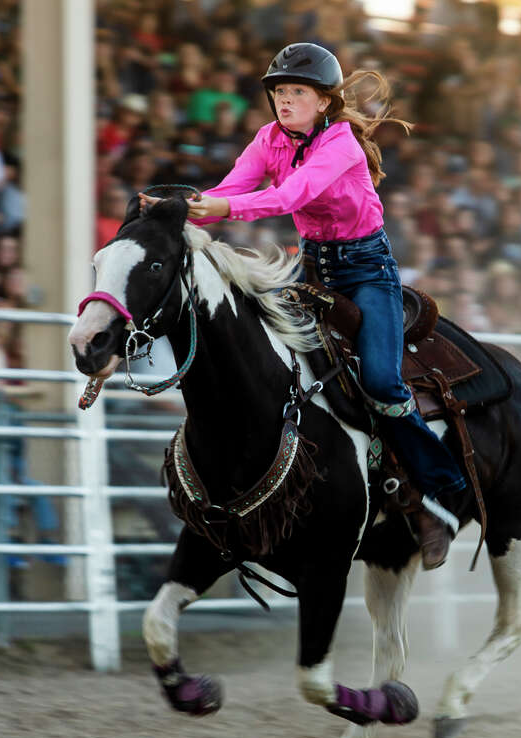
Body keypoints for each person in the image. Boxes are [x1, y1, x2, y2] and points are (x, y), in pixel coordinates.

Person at [140, 43, 468, 570]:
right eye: (279, 92)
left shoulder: (341, 144)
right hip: (312, 267)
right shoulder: (267, 139)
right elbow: (233, 189)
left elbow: (289, 196)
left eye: (297, 92)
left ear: (323, 102)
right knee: (268, 356)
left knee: (382, 380)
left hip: (367, 272)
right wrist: (176, 211)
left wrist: (218, 207)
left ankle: (441, 491)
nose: (285, 101)